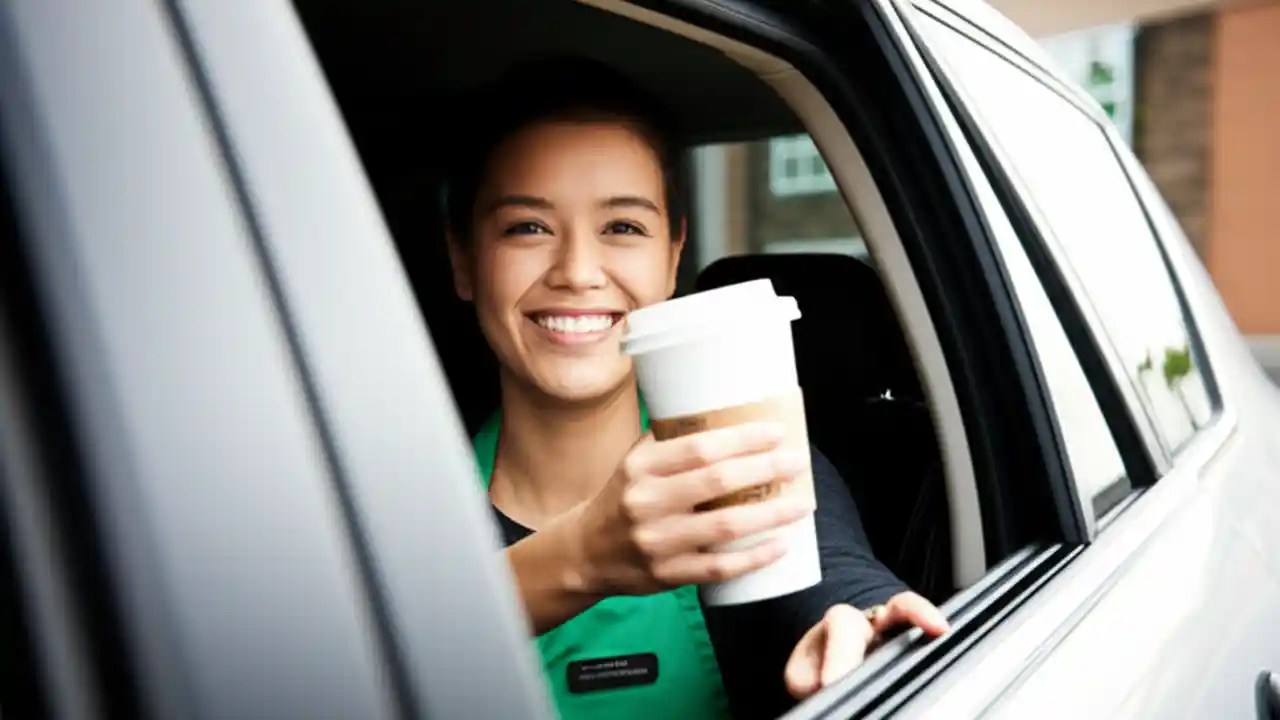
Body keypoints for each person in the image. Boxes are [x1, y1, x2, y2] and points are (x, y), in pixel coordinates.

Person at [443, 57, 949, 719]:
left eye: (622, 227)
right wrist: (585, 553)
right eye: (527, 227)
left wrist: (867, 630)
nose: (577, 271)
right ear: (462, 260)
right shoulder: (393, 502)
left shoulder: (737, 455)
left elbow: (826, 570)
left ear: (673, 254)